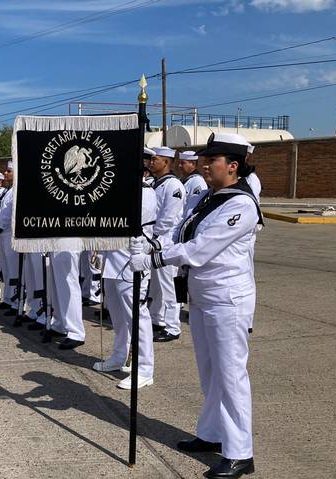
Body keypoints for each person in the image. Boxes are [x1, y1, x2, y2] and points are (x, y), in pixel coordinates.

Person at [130, 132, 262, 478]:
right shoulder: (207, 198)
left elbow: (200, 249)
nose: (204, 165)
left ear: (232, 166)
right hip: (203, 296)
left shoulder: (241, 205)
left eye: (212, 161)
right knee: (209, 372)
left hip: (228, 300)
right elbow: (179, 232)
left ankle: (240, 452)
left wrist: (155, 260)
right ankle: (213, 433)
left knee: (230, 375)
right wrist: (148, 243)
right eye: (204, 160)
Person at [93, 174, 158, 390]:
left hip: (132, 260)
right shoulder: (117, 186)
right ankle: (120, 356)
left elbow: (132, 223)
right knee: (118, 315)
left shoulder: (144, 191)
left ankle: (144, 369)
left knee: (137, 318)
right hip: (113, 259)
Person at [148, 146, 186, 342]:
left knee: (168, 285)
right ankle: (157, 318)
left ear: (167, 162)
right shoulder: (156, 183)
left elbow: (168, 219)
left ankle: (173, 326)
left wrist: (150, 234)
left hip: (165, 241)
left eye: (156, 159)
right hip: (155, 240)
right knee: (156, 285)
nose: (151, 162)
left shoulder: (173, 186)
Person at [0, 161, 19, 314]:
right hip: (2, 234)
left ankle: (15, 302)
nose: (5, 174)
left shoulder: (16, 190)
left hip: (9, 234)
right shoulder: (8, 190)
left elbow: (8, 216)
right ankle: (8, 298)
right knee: (6, 269)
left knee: (13, 269)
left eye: (9, 171)